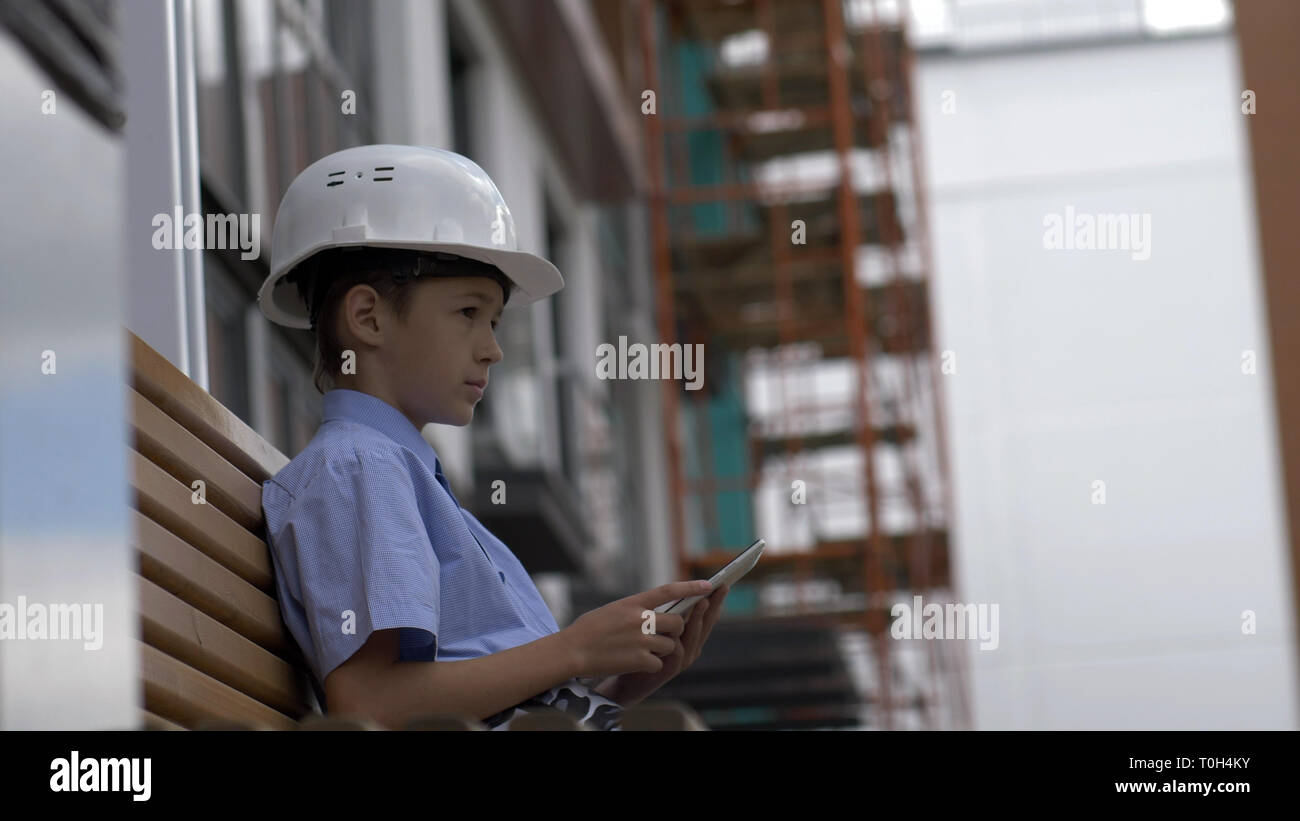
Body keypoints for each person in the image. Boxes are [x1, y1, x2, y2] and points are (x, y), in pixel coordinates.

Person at [257, 145, 728, 730]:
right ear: (369, 319)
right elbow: (371, 706)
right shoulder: (360, 466)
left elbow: (497, 701)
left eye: (495, 321)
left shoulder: (397, 475)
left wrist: (620, 680)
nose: (492, 348)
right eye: (468, 312)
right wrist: (575, 649)